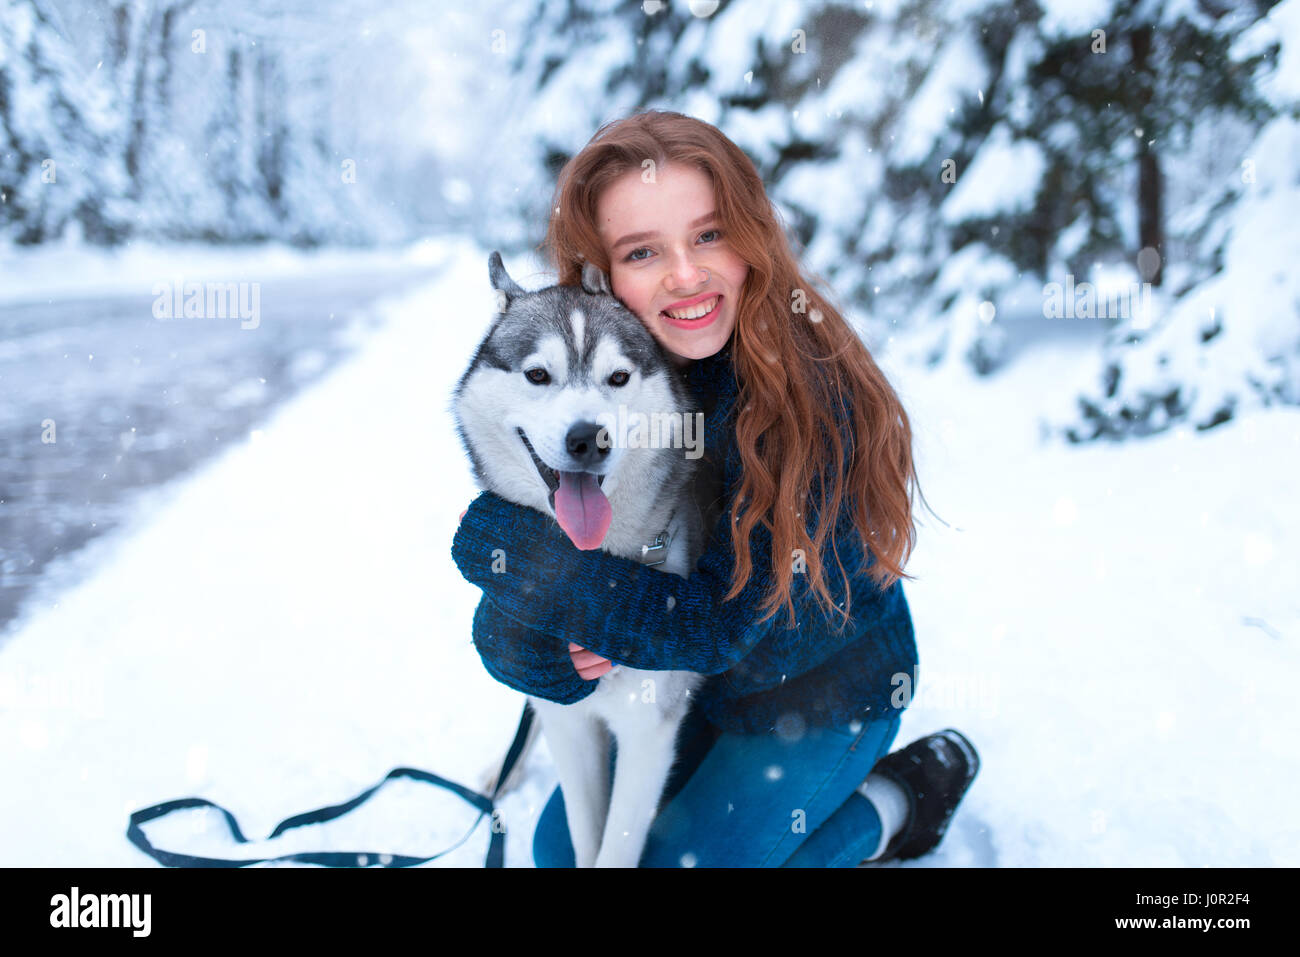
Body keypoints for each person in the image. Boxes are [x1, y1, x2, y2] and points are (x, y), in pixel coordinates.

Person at [452, 109, 979, 867]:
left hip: (818, 695)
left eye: (708, 235)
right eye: (643, 250)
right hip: (694, 691)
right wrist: (520, 637)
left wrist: (536, 570)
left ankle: (899, 799)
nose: (686, 274)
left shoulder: (811, 395)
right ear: (599, 274)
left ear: (751, 234)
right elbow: (552, 575)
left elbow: (719, 623)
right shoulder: (614, 374)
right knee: (561, 854)